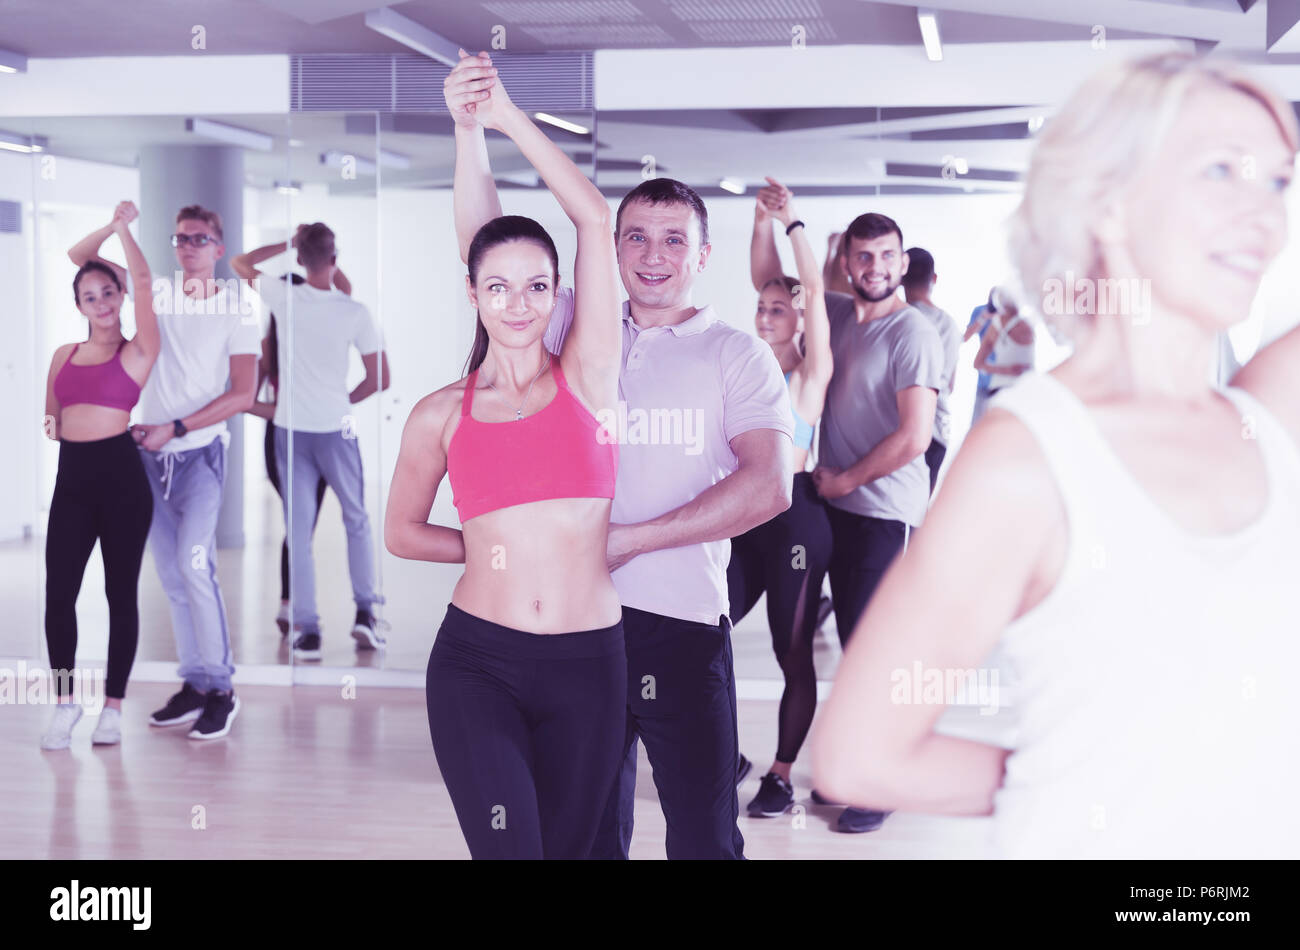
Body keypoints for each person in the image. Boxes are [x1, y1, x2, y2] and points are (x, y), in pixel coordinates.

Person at [813, 52, 1300, 859]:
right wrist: (1117, 775)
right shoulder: (1030, 461)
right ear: (1109, 202)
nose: (1263, 216)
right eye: (1221, 171)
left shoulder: (1270, 409)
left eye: (1278, 182)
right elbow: (861, 753)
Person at [445, 49, 794, 860]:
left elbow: (770, 486)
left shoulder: (736, 354)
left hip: (677, 624)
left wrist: (632, 540)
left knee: (704, 835)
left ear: (702, 255)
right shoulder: (573, 327)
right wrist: (469, 132)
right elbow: (486, 244)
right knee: (591, 833)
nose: (652, 252)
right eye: (635, 235)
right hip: (575, 630)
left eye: (674, 238)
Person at [385, 65, 624, 859]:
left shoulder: (589, 379)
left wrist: (505, 116)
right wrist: (494, 542)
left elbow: (592, 220)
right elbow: (402, 533)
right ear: (472, 294)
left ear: (560, 295)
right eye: (498, 288)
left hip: (591, 665)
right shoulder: (440, 414)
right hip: (477, 663)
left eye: (536, 287)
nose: (518, 303)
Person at [753, 207, 945, 834]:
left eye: (887, 256)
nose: (876, 267)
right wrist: (770, 223)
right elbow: (774, 285)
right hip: (830, 509)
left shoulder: (912, 333)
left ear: (902, 258)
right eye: (864, 256)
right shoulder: (834, 313)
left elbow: (916, 437)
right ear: (848, 263)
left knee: (869, 651)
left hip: (882, 514)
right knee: (829, 646)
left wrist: (845, 478)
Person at [71, 203, 259, 740]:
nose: (188, 246)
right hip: (145, 459)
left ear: (218, 249)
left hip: (198, 453)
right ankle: (195, 682)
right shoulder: (155, 291)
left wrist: (175, 428)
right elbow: (82, 259)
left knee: (194, 565)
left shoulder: (239, 306)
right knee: (174, 576)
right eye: (180, 238)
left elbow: (243, 394)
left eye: (199, 239)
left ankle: (222, 688)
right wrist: (117, 227)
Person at [233, 225, 390, 659]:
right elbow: (380, 379)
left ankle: (307, 629)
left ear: (299, 260)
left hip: (292, 432)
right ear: (335, 257)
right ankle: (366, 616)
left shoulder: (284, 299)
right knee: (356, 521)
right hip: (336, 428)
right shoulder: (354, 311)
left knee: (298, 532)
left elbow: (240, 263)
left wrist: (288, 244)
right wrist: (343, 400)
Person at [728, 177, 833, 818]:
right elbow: (768, 278)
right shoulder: (743, 367)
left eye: (778, 308)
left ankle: (781, 774)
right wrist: (758, 218)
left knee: (789, 651)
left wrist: (791, 221)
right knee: (703, 630)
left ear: (799, 319)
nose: (766, 315)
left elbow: (811, 288)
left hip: (796, 518)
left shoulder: (809, 375)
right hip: (745, 515)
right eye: (761, 307)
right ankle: (723, 756)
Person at [41, 201, 159, 750]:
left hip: (120, 480)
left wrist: (121, 231)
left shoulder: (139, 350)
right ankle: (66, 704)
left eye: (109, 293)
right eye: (90, 296)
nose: (103, 302)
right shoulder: (63, 355)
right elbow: (54, 419)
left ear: (120, 297)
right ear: (80, 305)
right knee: (59, 593)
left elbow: (139, 276)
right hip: (71, 480)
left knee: (119, 594)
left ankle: (113, 708)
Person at [245, 285, 329, 637]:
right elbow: (246, 400)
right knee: (298, 525)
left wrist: (324, 254)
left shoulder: (322, 340)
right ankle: (291, 606)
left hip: (323, 438)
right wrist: (288, 413)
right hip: (282, 438)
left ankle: (291, 605)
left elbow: (346, 292)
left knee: (302, 528)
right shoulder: (269, 347)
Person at [902, 247, 961, 492]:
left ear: (900, 276)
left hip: (903, 430)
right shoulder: (950, 324)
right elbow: (951, 384)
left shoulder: (900, 318)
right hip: (939, 429)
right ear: (934, 278)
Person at [974, 287, 1033, 396]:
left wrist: (1007, 370)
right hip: (1022, 389)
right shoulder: (1029, 324)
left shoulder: (994, 326)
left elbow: (977, 363)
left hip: (999, 389)